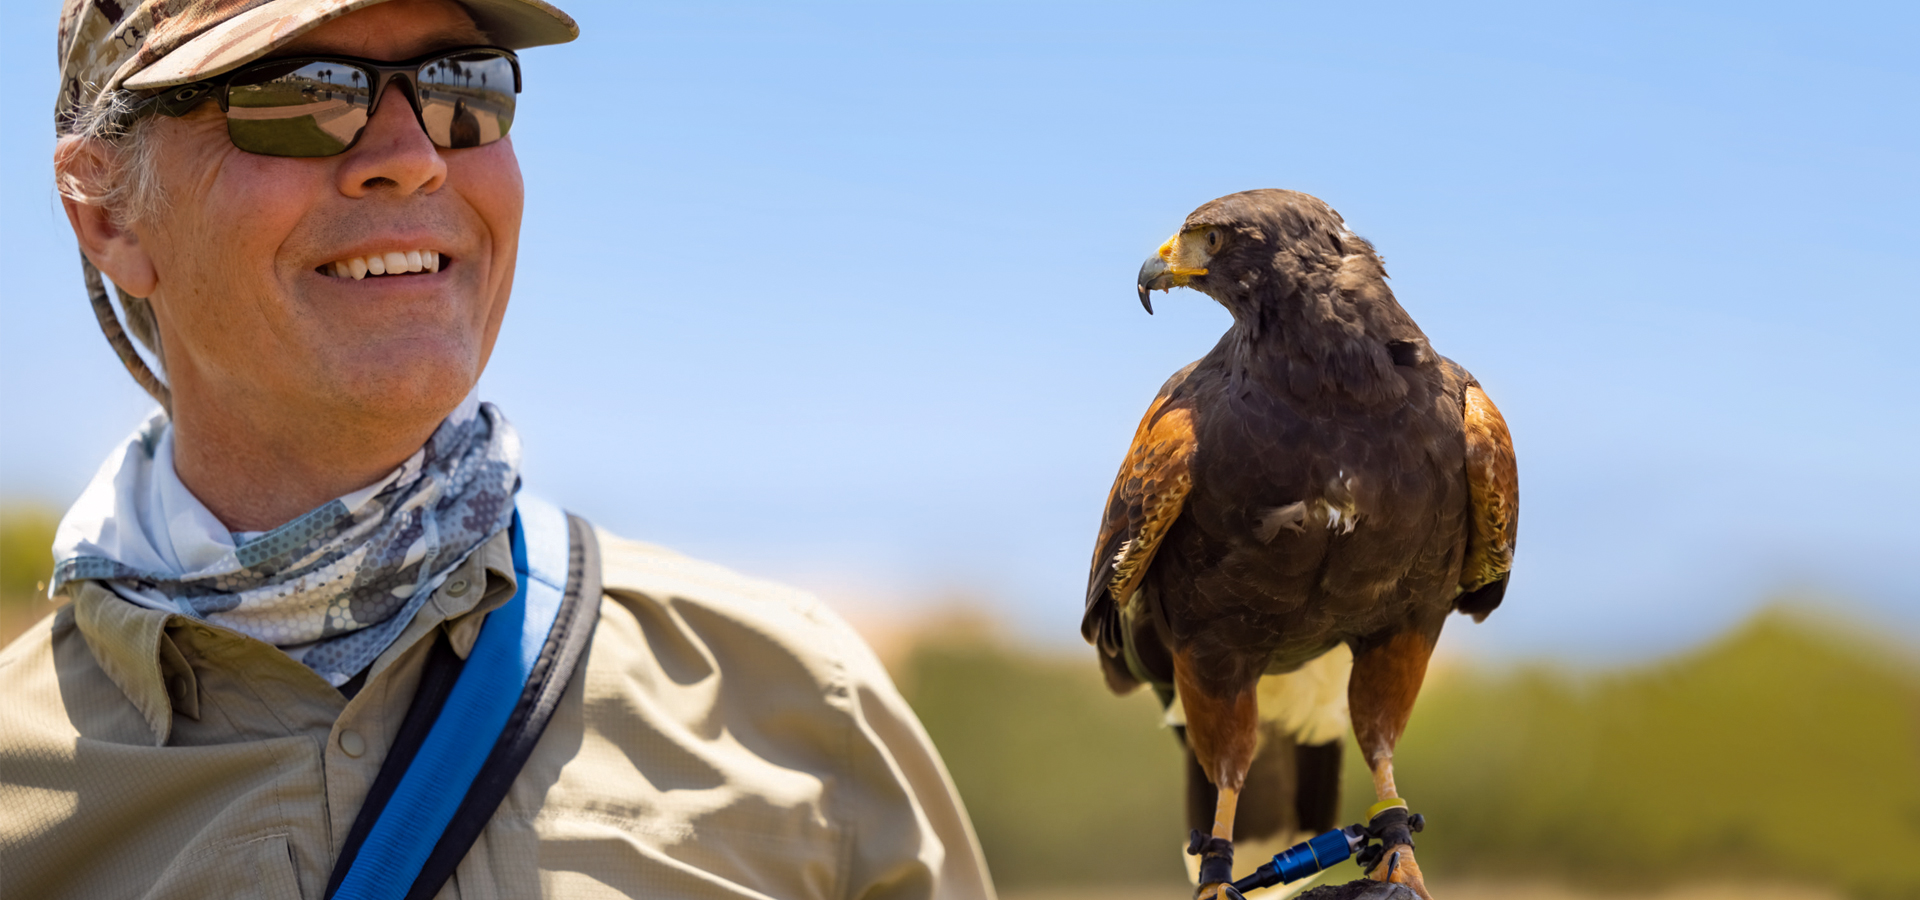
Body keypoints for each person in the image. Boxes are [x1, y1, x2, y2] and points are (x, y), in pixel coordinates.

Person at [0, 1, 996, 897]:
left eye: (459, 87)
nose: (415, 154)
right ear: (107, 213)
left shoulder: (787, 700)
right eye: (299, 95)